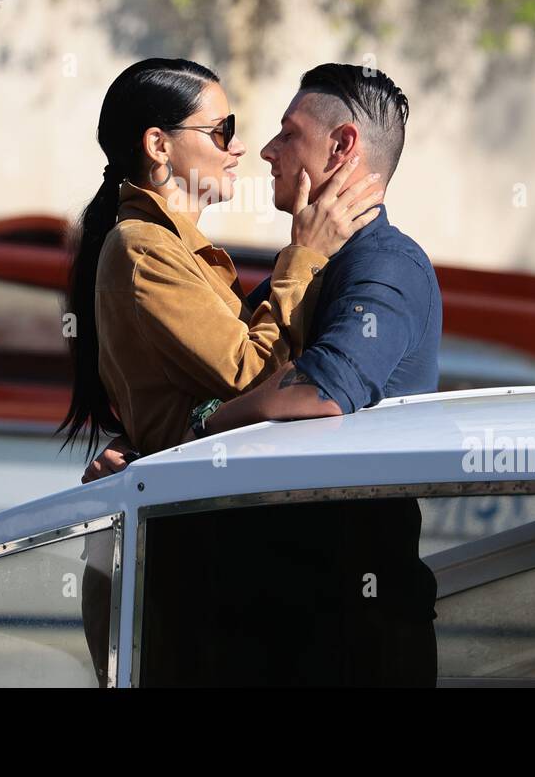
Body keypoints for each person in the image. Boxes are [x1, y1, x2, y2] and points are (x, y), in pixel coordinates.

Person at [86, 63, 443, 686]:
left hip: (348, 625)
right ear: (157, 145)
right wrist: (153, 446)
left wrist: (186, 436)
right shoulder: (164, 248)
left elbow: (316, 391)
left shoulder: (382, 265)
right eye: (224, 130)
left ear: (343, 146)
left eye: (286, 132)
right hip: (267, 610)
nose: (258, 149)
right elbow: (256, 370)